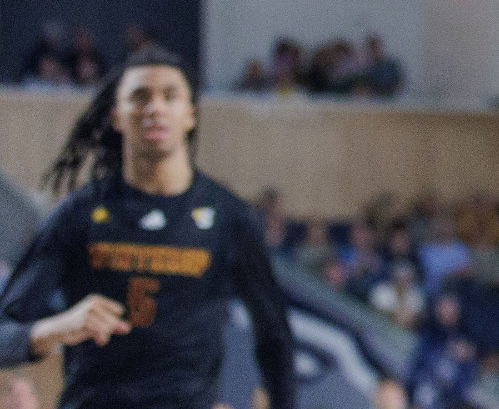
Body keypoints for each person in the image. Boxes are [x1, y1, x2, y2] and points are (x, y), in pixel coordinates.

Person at [0, 45, 295, 409]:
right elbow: (3, 333)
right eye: (140, 97)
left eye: (170, 97)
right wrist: (56, 328)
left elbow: (275, 338)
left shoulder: (231, 218)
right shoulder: (79, 213)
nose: (154, 108)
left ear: (190, 114)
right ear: (116, 117)